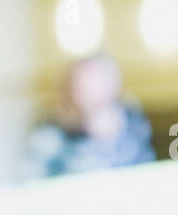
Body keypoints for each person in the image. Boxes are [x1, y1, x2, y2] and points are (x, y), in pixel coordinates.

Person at [26, 52, 155, 178]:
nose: (95, 93)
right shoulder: (51, 139)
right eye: (85, 87)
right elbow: (31, 181)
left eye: (101, 83)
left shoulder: (134, 123)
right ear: (72, 91)